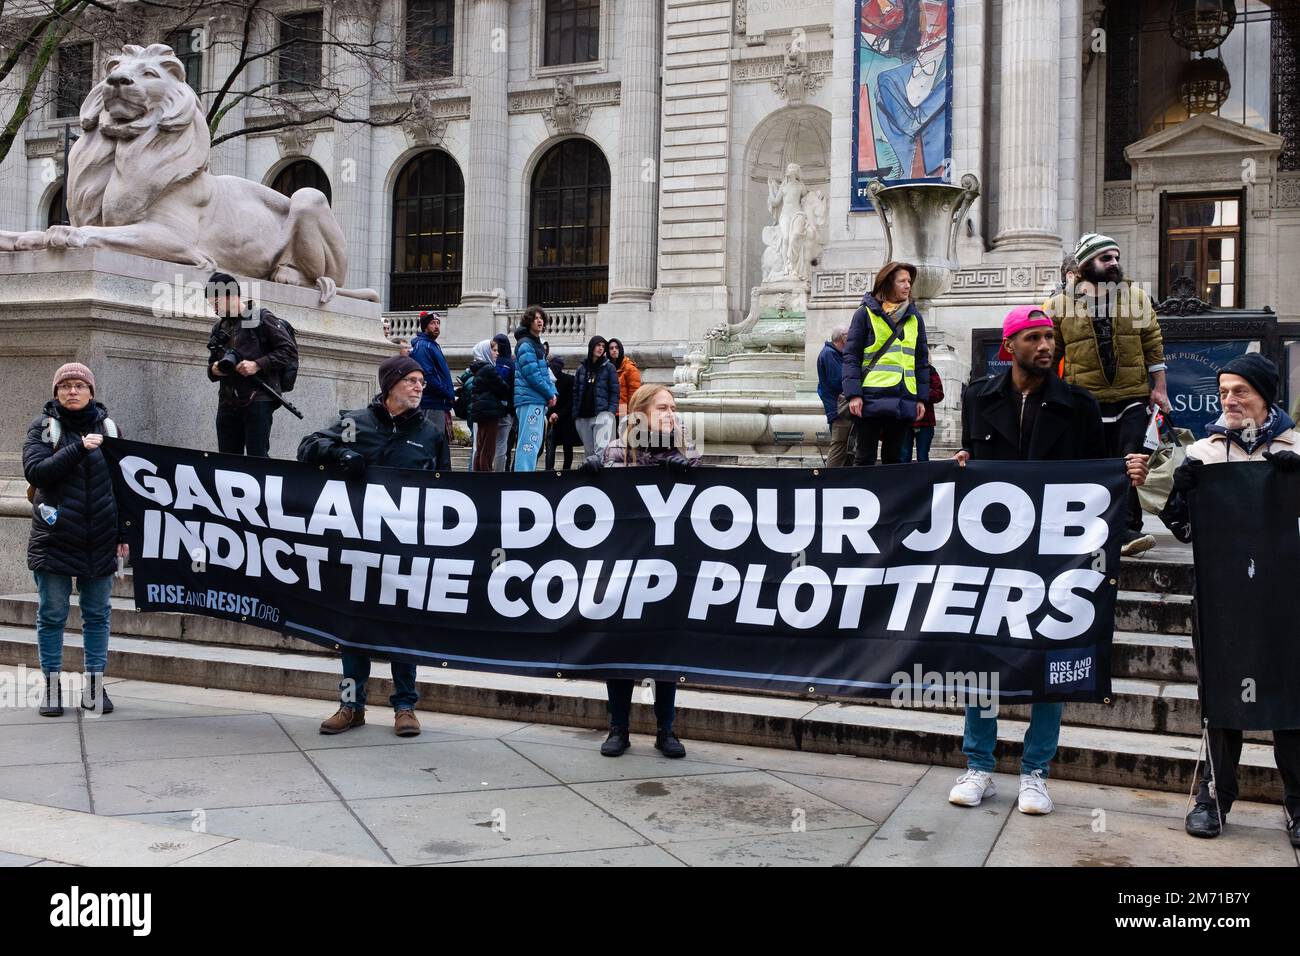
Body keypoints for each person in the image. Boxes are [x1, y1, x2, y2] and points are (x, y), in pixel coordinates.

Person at [948, 306, 1149, 815]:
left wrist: (1125, 472)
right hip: (991, 552)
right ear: (1008, 348)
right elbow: (972, 461)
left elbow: (1097, 471)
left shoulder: (1078, 404)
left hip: (1056, 554)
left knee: (1052, 655)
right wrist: (963, 468)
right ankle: (980, 765)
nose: (1046, 346)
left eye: (1049, 338)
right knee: (982, 656)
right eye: (1034, 338)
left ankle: (1036, 772)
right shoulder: (977, 398)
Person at [1157, 354, 1300, 846]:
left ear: (1266, 395)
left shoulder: (1297, 446)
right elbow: (1183, 529)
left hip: (1286, 598)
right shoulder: (1204, 451)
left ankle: (1298, 806)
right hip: (1223, 595)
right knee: (1222, 696)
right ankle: (1213, 798)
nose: (1230, 401)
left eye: (1240, 391)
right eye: (1223, 393)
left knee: (1291, 697)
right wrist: (1180, 492)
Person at [298, 355, 448, 738]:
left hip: (405, 550)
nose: (419, 387)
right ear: (391, 385)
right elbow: (308, 446)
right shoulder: (356, 423)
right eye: (411, 380)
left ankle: (405, 706)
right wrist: (340, 454)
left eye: (421, 381)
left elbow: (448, 492)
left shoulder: (431, 433)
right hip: (357, 549)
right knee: (352, 632)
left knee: (403, 629)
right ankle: (351, 705)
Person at [580, 384, 698, 759]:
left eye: (674, 408)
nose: (671, 414)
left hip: (669, 568)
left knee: (665, 648)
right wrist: (590, 473)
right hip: (624, 566)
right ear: (640, 412)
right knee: (621, 646)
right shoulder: (616, 452)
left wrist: (688, 474)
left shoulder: (686, 451)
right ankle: (619, 727)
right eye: (663, 407)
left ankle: (667, 729)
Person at [1044, 233, 1169, 557]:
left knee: (1129, 459)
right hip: (1085, 399)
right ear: (1086, 264)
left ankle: (1128, 530)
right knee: (1092, 464)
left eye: (1116, 257)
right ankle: (1088, 526)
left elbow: (1153, 346)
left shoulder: (1137, 298)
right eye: (1106, 258)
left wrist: (1159, 389)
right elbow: (1050, 354)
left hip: (1131, 396)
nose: (1114, 263)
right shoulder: (1058, 305)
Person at [24, 363, 128, 715]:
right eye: (65, 386)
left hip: (99, 540)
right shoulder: (43, 429)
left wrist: (123, 534)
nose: (72, 391)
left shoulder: (110, 430)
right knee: (52, 614)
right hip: (53, 538)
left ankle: (95, 687)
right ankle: (51, 688)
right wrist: (79, 449)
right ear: (55, 393)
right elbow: (36, 472)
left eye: (79, 385)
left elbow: (124, 487)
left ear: (91, 392)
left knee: (97, 615)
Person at [841, 261, 930, 465]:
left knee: (895, 460)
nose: (908, 285)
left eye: (909, 281)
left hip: (903, 397)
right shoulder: (865, 314)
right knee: (864, 458)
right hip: (870, 397)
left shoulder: (915, 317)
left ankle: (891, 498)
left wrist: (921, 399)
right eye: (902, 281)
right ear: (888, 283)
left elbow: (921, 362)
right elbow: (851, 356)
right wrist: (854, 394)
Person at [205, 271, 297, 458]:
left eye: (216, 303)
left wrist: (257, 365)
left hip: (259, 399)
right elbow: (212, 364)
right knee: (227, 460)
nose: (213, 309)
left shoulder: (260, 317)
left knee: (257, 459)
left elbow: (288, 350)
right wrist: (214, 369)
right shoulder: (219, 327)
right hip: (227, 402)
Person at [512, 306, 558, 472]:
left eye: (541, 318)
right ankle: (523, 479)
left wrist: (552, 393)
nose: (539, 321)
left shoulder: (536, 344)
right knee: (528, 443)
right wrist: (549, 393)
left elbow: (544, 373)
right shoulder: (526, 344)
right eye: (535, 318)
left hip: (535, 400)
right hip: (529, 399)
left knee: (534, 441)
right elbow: (532, 374)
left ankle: (525, 475)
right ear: (529, 321)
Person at [409, 311, 455, 471]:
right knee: (431, 444)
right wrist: (448, 393)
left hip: (439, 403)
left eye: (438, 323)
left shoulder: (432, 345)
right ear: (425, 326)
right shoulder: (423, 346)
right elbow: (427, 375)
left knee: (438, 444)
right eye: (432, 323)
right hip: (432, 403)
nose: (436, 327)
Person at [463, 339, 512, 472]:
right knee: (488, 447)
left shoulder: (479, 368)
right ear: (486, 351)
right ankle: (486, 475)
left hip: (481, 411)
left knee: (480, 445)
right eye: (494, 350)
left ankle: (479, 473)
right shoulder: (489, 368)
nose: (497, 353)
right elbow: (503, 388)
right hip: (489, 412)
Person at [573, 335, 619, 460]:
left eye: (603, 346)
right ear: (591, 347)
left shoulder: (609, 368)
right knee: (589, 453)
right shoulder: (581, 368)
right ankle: (591, 479)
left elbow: (615, 392)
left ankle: (603, 478)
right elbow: (576, 392)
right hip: (583, 416)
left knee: (601, 453)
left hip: (601, 414)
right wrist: (576, 414)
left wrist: (610, 413)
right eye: (598, 345)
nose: (600, 348)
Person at [817, 327, 852, 467]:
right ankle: (830, 478)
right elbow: (838, 380)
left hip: (837, 407)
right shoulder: (830, 354)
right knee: (839, 446)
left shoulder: (833, 353)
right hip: (838, 409)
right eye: (849, 336)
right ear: (843, 338)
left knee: (843, 446)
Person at [899, 368, 944, 462]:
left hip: (925, 422)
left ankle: (924, 477)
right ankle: (903, 477)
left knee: (923, 456)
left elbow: (939, 394)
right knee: (904, 457)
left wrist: (923, 393)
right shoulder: (903, 368)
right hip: (905, 420)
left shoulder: (930, 371)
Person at [546, 355, 579, 471]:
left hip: (564, 420)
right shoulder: (548, 380)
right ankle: (552, 471)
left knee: (564, 446)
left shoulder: (569, 380)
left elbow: (572, 401)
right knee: (552, 446)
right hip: (556, 418)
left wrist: (556, 414)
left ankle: (558, 471)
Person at [492, 333, 516, 471]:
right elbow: (514, 389)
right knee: (502, 445)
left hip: (489, 409)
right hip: (506, 409)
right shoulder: (511, 365)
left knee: (484, 443)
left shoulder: (491, 362)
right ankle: (499, 472)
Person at [607, 338, 642, 421]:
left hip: (624, 413)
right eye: (611, 348)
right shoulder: (606, 368)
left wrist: (632, 413)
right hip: (609, 411)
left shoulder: (630, 368)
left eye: (616, 347)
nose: (614, 350)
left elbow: (634, 393)